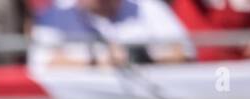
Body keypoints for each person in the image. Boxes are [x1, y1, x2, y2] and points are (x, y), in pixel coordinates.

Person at [29, 0, 192, 69]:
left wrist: (141, 60)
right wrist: (99, 64)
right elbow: (42, 63)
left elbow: (184, 53)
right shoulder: (55, 14)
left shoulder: (147, 7)